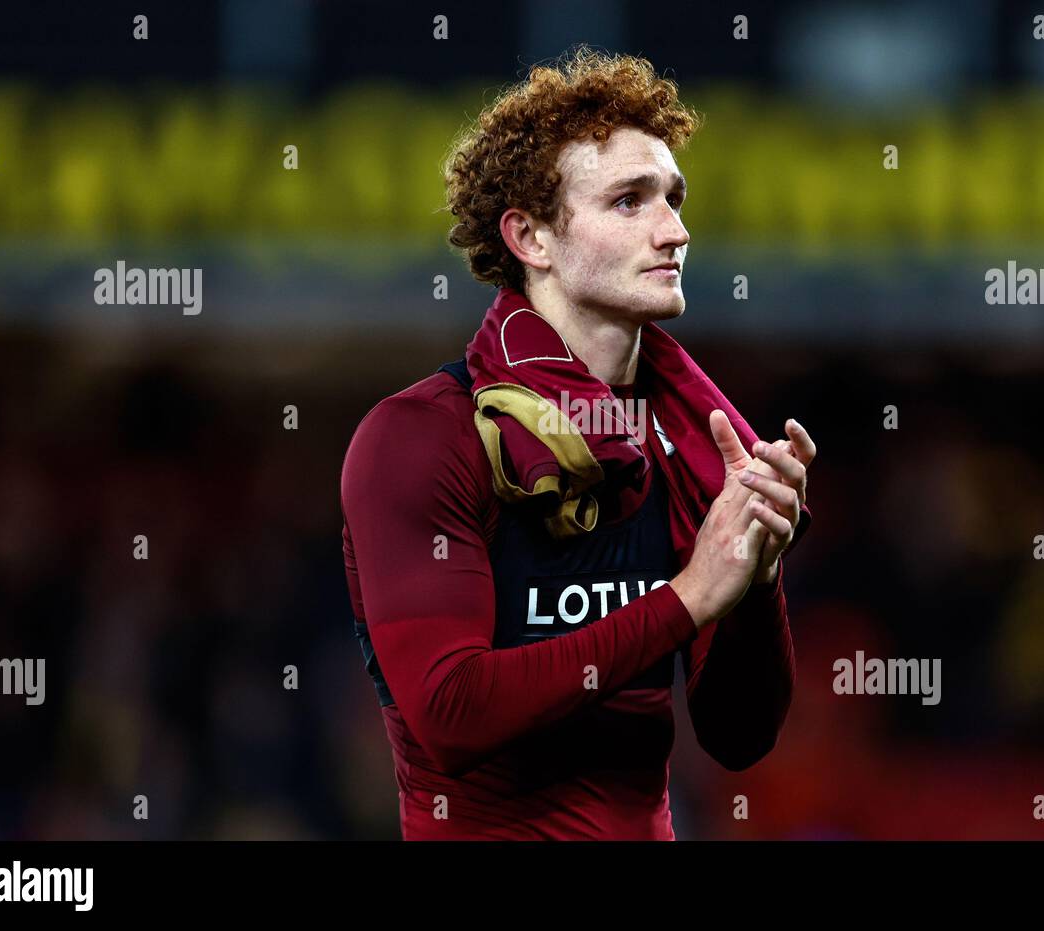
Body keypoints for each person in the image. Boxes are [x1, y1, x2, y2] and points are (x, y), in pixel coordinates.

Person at [341, 47, 816, 839]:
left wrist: (755, 577)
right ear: (531, 236)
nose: (676, 229)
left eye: (674, 197)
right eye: (630, 201)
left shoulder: (692, 439)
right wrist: (688, 597)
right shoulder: (421, 435)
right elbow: (451, 714)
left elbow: (739, 737)